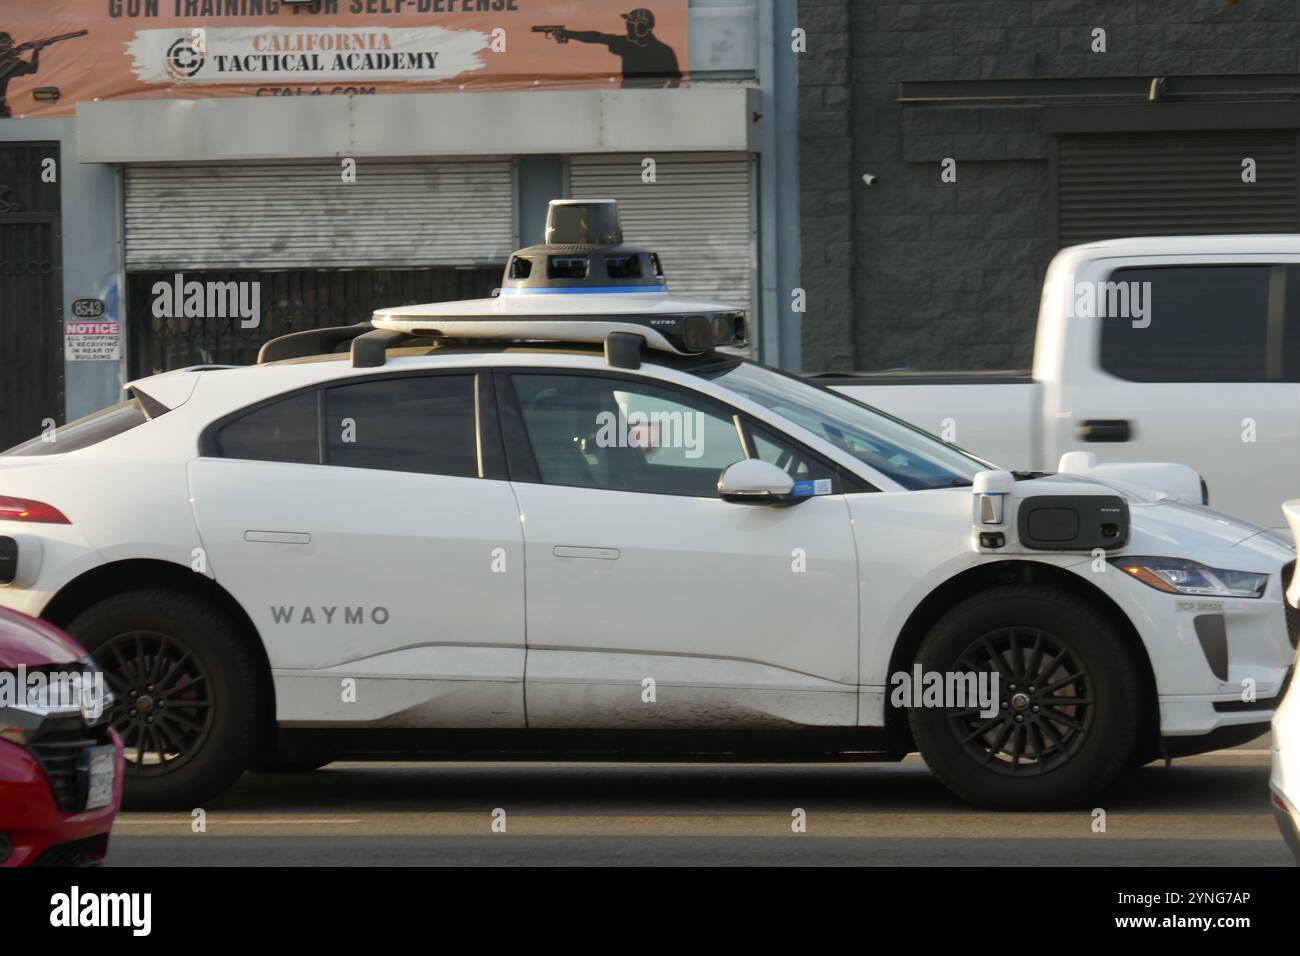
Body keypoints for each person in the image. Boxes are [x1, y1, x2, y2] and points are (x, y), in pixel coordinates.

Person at [555, 9, 681, 89]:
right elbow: (597, 37)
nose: (627, 28)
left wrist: (663, 97)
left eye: (630, 25)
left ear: (641, 27)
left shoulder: (664, 52)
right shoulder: (628, 44)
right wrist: (569, 34)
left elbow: (676, 81)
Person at [0, 32, 41, 119]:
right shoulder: (8, 60)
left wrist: (36, 51)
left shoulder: (10, 61)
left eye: (9, 43)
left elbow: (32, 69)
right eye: (5, 43)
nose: (9, 45)